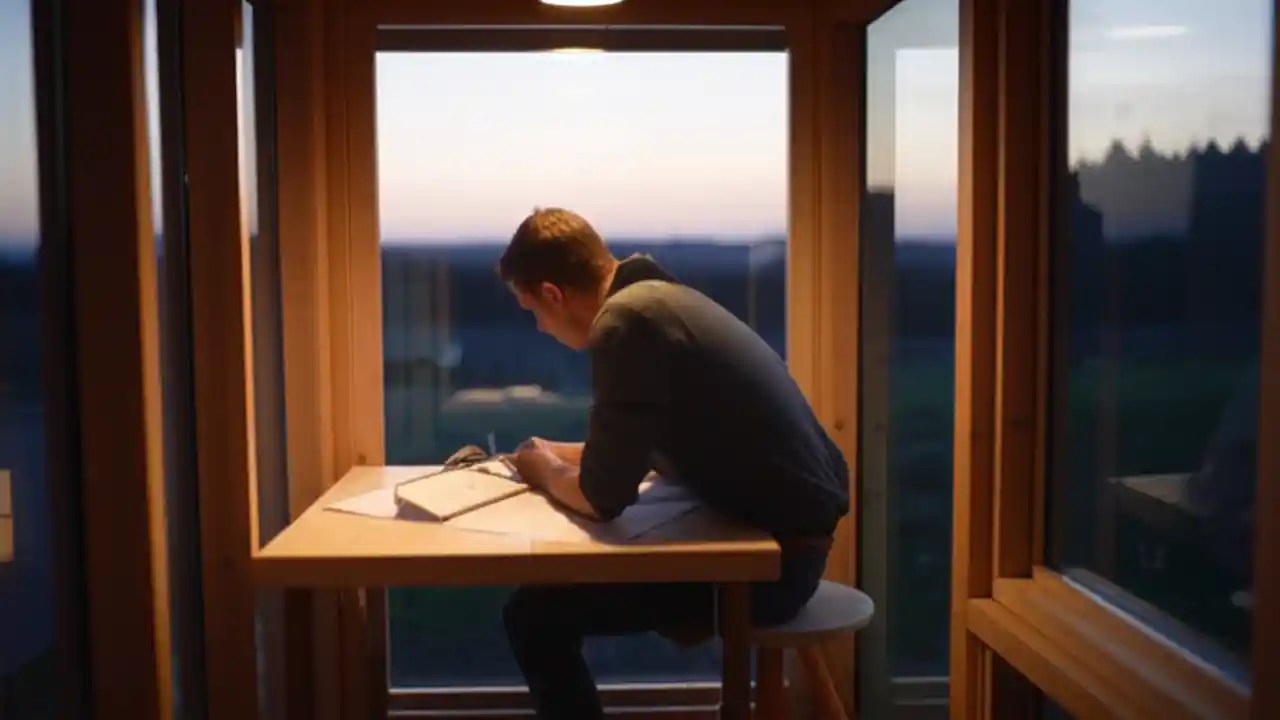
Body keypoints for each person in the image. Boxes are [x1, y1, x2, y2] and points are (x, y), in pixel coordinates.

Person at [499, 207, 849, 719]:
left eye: (534, 312)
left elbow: (602, 499)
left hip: (773, 570)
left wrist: (542, 471)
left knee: (533, 614)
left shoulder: (624, 324)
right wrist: (554, 453)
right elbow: (650, 441)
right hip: (785, 541)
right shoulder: (661, 300)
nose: (540, 327)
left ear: (553, 293)